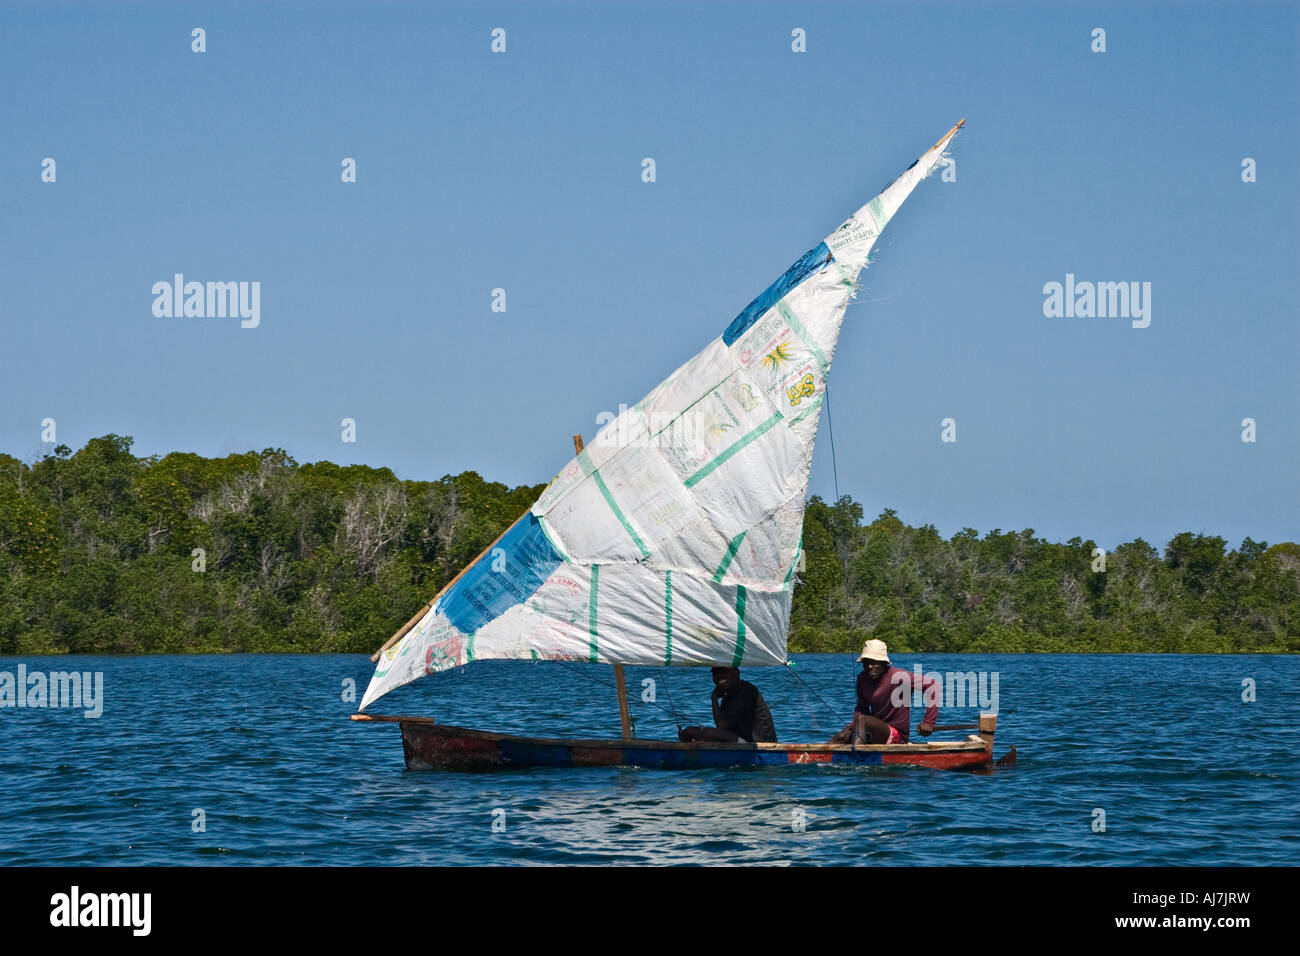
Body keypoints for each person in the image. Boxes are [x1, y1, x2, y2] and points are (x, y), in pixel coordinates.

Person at [828, 638, 936, 745]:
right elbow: (862, 708)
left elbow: (932, 685)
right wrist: (853, 727)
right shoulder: (862, 679)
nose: (869, 666)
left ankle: (858, 758)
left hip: (897, 735)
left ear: (883, 663)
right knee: (842, 736)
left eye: (874, 662)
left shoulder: (899, 677)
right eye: (866, 662)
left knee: (862, 720)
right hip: (873, 730)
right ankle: (816, 757)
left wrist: (928, 721)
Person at [678, 667, 778, 743]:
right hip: (743, 742)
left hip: (757, 744)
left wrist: (714, 699)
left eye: (726, 672)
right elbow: (726, 729)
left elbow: (722, 726)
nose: (720, 676)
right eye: (716, 673)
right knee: (692, 732)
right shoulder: (729, 695)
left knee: (695, 731)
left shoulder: (746, 690)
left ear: (737, 673)